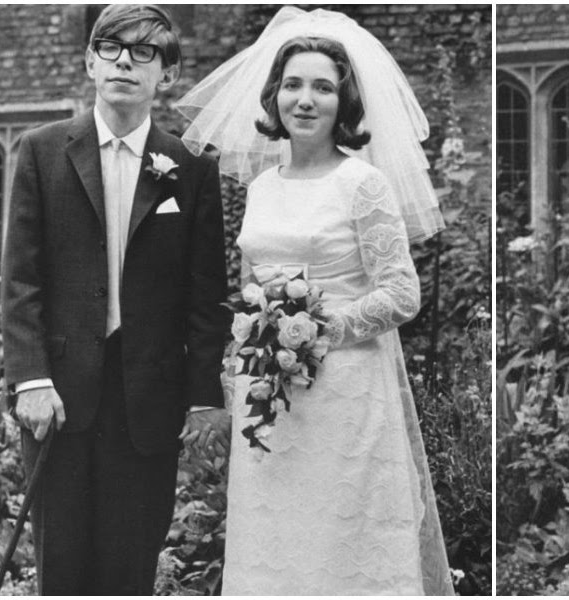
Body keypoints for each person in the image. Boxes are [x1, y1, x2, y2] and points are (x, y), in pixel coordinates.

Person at [175, 8, 452, 595]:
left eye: (323, 87)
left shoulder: (362, 183)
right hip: (268, 399)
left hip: (346, 395)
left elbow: (402, 293)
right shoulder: (261, 188)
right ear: (274, 96)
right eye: (294, 85)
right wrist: (241, 366)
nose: (305, 99)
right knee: (276, 547)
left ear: (343, 102)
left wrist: (313, 328)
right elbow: (252, 294)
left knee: (342, 546)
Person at [0, 4, 230, 594]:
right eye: (110, 47)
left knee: (130, 569)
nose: (125, 59)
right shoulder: (41, 149)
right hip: (57, 396)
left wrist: (205, 395)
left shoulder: (190, 168)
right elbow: (21, 278)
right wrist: (30, 379)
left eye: (144, 51)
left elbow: (206, 296)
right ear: (90, 63)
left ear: (167, 75)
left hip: (147, 399)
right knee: (63, 568)